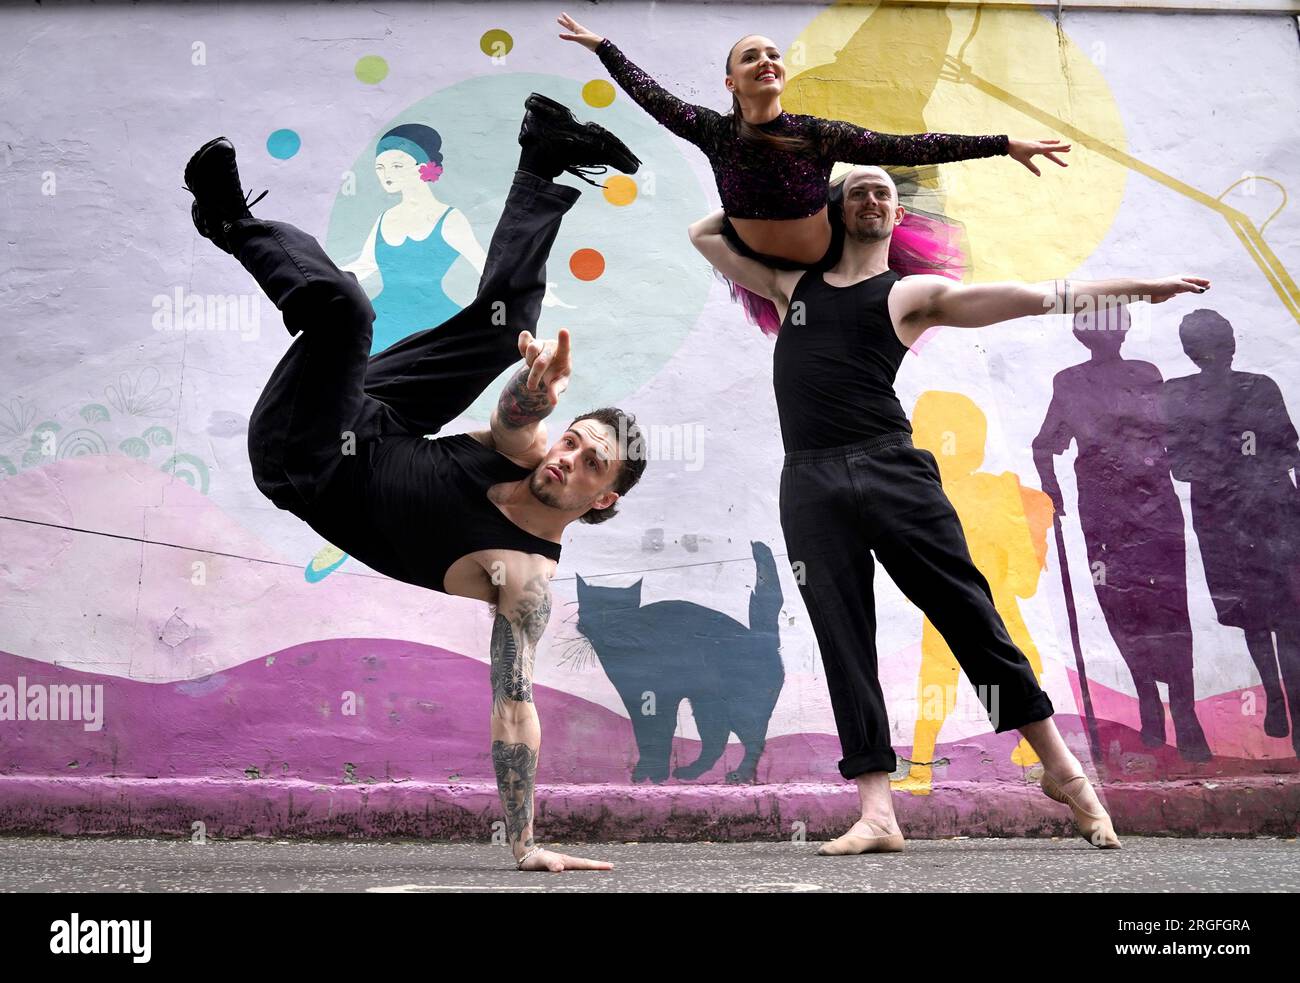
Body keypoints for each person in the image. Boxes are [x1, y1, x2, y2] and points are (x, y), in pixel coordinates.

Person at [183, 92, 648, 872]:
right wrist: (538, 383)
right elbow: (514, 411)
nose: (564, 458)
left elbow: (513, 705)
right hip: (378, 417)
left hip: (310, 458)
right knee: (504, 328)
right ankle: (542, 156)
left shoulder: (525, 578)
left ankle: (230, 223)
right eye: (574, 441)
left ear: (602, 499)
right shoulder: (529, 446)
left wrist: (525, 840)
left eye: (589, 464)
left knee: (342, 312)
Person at [689, 164, 1211, 854]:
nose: (874, 197)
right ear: (836, 212)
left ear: (897, 218)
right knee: (843, 640)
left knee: (969, 617)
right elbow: (705, 232)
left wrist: (1144, 287)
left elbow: (1035, 296)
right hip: (809, 483)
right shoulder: (792, 288)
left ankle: (1062, 771)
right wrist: (787, 190)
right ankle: (877, 812)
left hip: (891, 469)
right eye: (857, 191)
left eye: (885, 191)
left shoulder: (911, 294)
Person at [560, 11, 1070, 332]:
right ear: (730, 81)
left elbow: (908, 147)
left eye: (774, 54)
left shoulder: (815, 133)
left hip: (830, 256)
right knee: (702, 231)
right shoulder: (713, 132)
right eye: (750, 56)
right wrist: (603, 48)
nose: (766, 60)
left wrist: (1003, 144)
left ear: (782, 73)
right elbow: (652, 96)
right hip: (768, 270)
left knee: (914, 301)